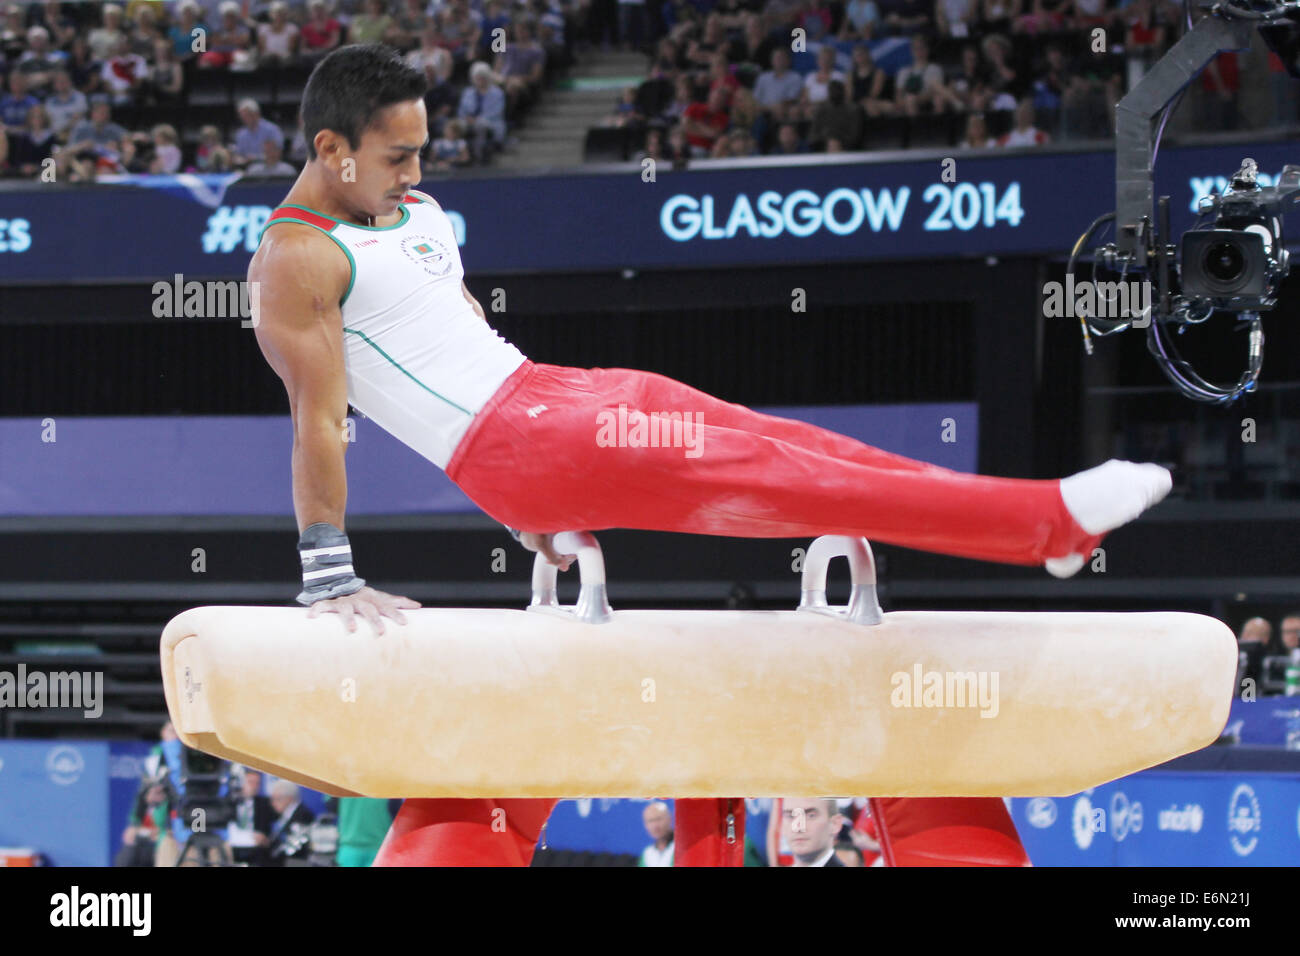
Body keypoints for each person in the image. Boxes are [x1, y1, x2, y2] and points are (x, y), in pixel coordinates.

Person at [245, 43, 1172, 864]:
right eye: (398, 157)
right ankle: (1042, 521)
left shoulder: (413, 212)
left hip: (566, 395)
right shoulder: (297, 261)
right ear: (332, 150)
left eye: (422, 151)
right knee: (794, 485)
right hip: (527, 441)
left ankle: (1035, 530)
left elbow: (458, 335)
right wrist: (331, 572)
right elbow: (321, 420)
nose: (416, 172)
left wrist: (527, 514)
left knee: (810, 451)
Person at [638, 801, 674, 865]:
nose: (655, 826)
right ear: (646, 825)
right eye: (651, 821)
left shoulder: (681, 847)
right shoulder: (647, 853)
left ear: (669, 819)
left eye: (658, 819)